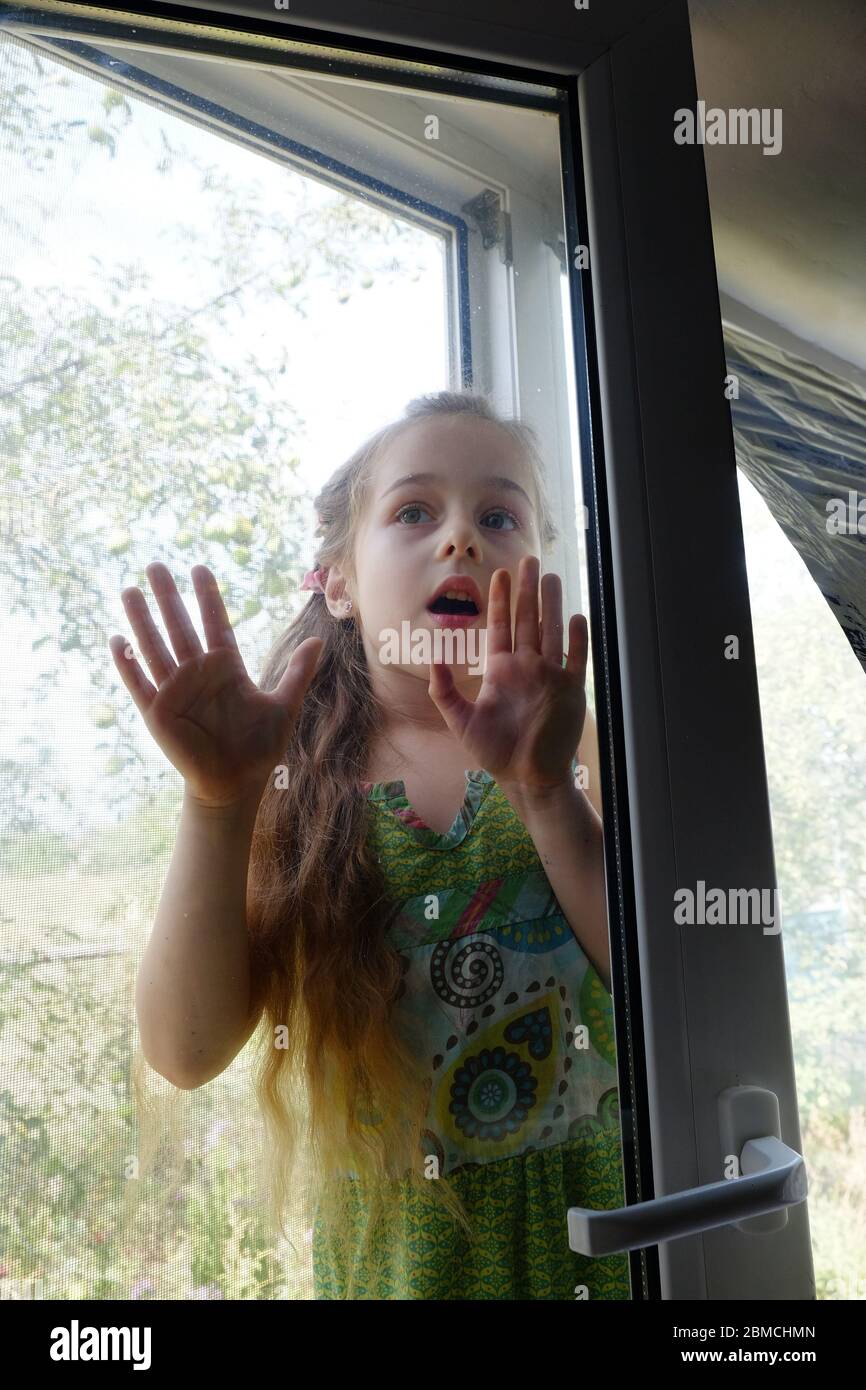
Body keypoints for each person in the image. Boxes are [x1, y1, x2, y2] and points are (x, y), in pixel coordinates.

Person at [109, 389, 630, 1300]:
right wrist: (217, 801)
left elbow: (662, 984)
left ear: (538, 563)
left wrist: (544, 791)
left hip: (608, 1237)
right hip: (400, 1268)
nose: (461, 537)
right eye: (415, 511)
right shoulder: (292, 782)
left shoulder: (574, 749)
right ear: (340, 582)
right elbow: (183, 1050)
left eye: (499, 515)